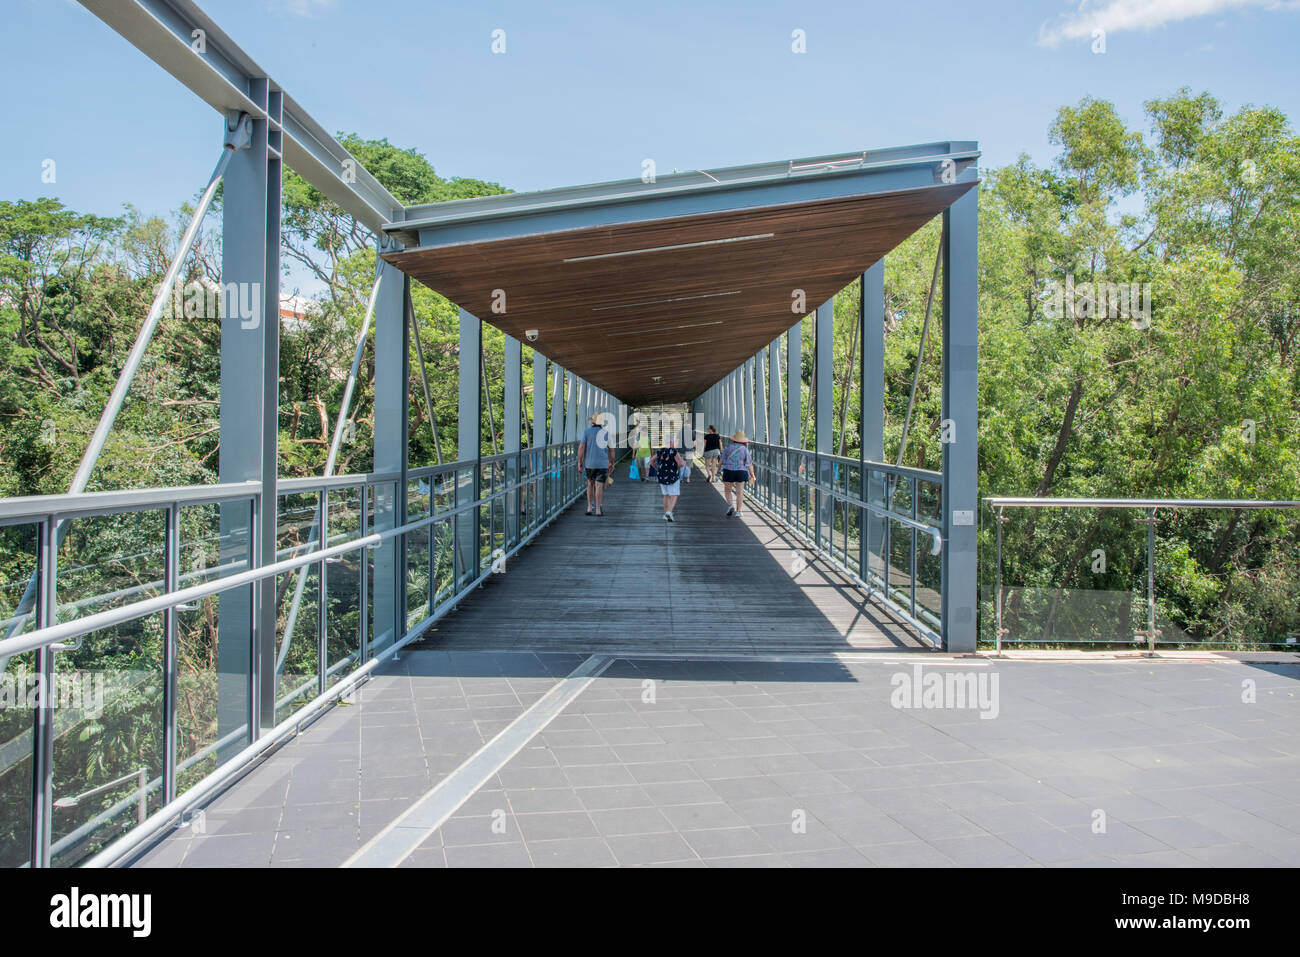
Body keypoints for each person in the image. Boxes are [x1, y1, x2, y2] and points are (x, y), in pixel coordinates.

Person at [577, 411, 615, 516]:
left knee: (590, 484)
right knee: (599, 486)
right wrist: (612, 462)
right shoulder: (606, 433)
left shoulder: (586, 432)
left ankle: (589, 507)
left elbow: (581, 447)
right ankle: (598, 509)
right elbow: (611, 450)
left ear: (592, 422)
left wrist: (579, 462)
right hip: (602, 464)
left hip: (589, 463)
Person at [720, 429, 756, 517]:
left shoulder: (728, 447)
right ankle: (739, 511)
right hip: (741, 471)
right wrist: (752, 475)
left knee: (728, 490)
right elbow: (749, 463)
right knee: (739, 492)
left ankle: (730, 505)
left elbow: (722, 460)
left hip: (729, 471)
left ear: (734, 439)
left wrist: (718, 470)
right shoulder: (745, 449)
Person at [652, 434, 687, 522]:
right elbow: (680, 464)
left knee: (666, 495)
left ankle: (666, 513)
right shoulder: (674, 451)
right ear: (671, 442)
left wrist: (657, 468)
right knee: (674, 494)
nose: (677, 442)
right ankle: (669, 512)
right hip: (672, 477)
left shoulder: (660, 451)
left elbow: (651, 461)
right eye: (676, 441)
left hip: (661, 475)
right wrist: (684, 462)